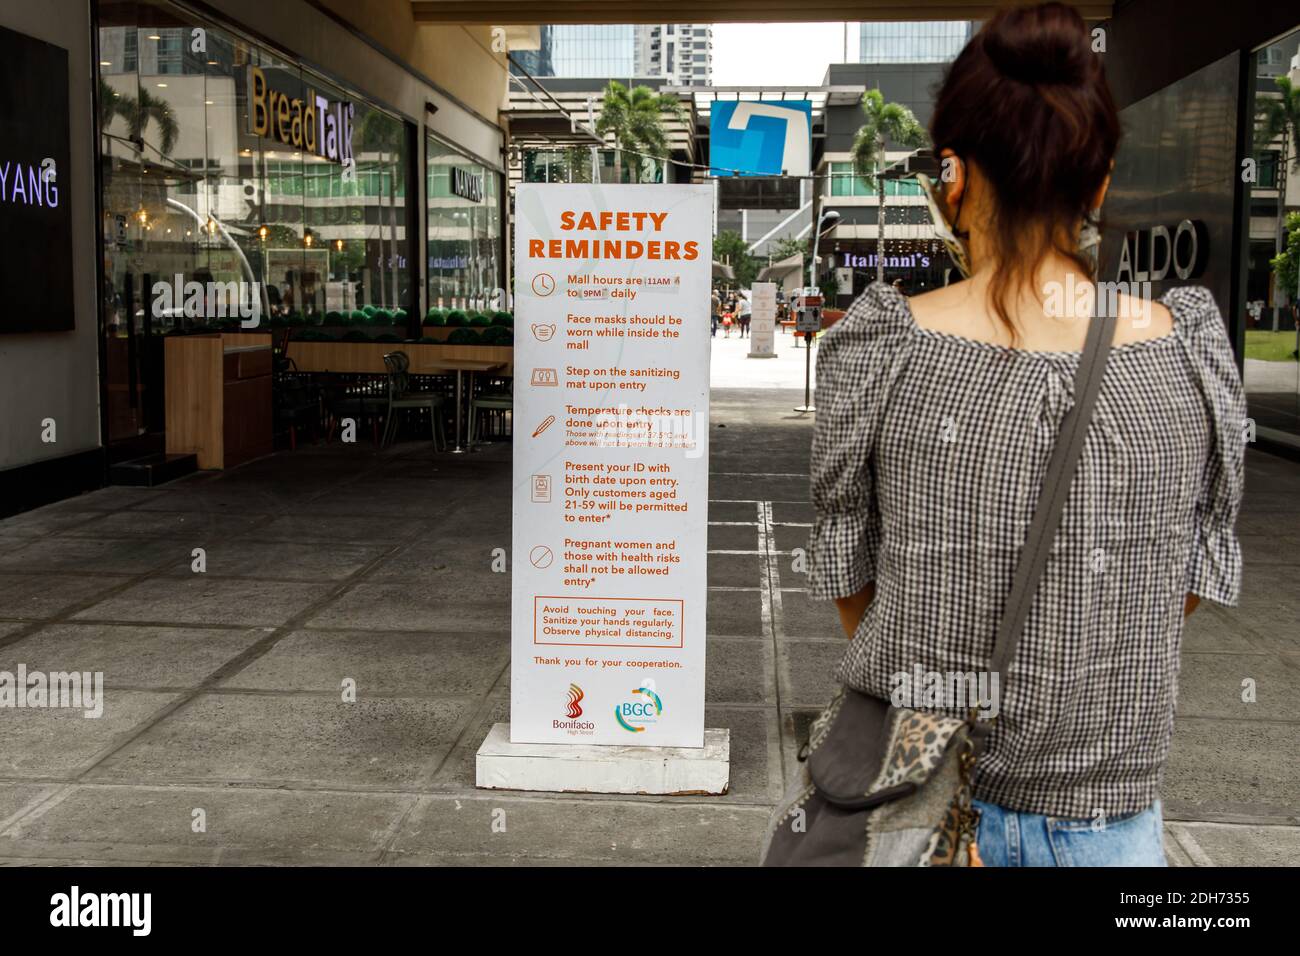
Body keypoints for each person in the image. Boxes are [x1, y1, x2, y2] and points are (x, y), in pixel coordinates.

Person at [805, 2, 1244, 867]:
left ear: (954, 175)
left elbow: (850, 578)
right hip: (1110, 827)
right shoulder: (1186, 351)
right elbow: (1184, 584)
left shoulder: (883, 346)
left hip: (911, 809)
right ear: (1102, 180)